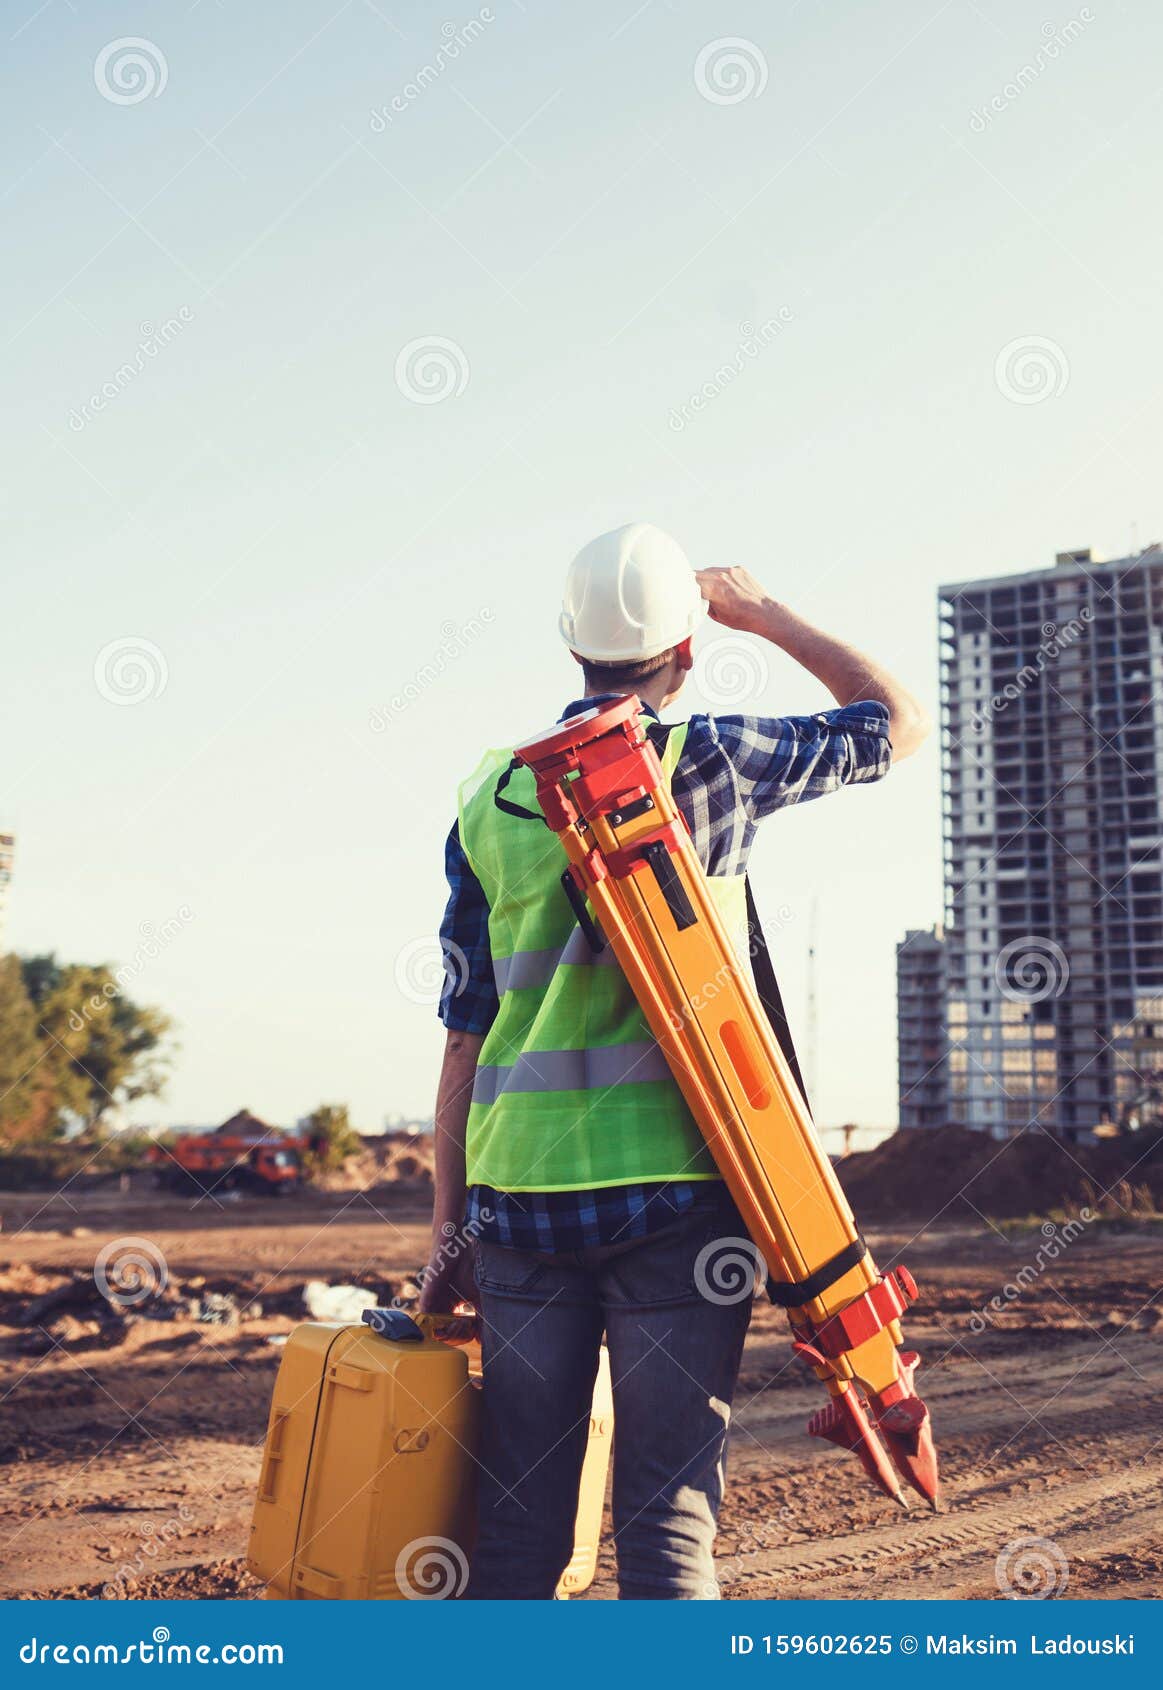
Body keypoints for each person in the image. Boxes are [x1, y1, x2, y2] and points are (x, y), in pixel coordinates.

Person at [419, 522, 929, 1599]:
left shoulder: (487, 797)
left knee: (515, 1535)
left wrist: (447, 1231)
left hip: (517, 1199)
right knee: (666, 1532)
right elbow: (895, 721)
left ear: (571, 647)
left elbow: (464, 1029)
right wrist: (768, 614)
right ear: (686, 650)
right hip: (681, 1203)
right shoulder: (711, 761)